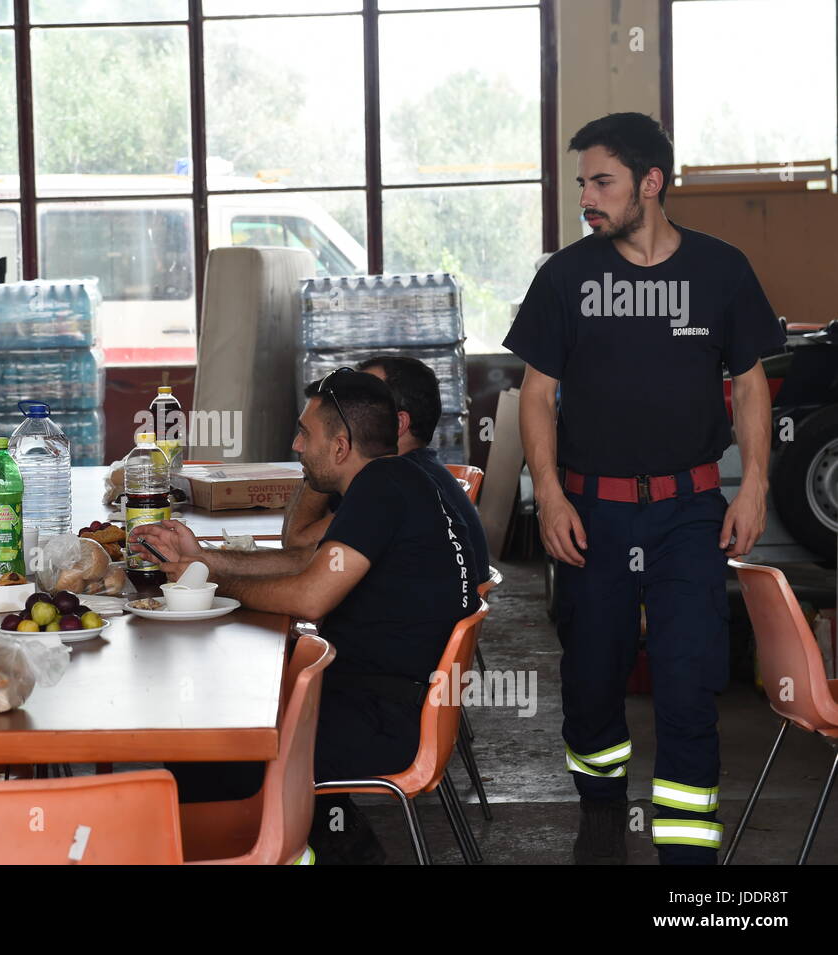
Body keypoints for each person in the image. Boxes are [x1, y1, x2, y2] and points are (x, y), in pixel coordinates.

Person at [504, 112, 783, 865]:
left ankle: (688, 867)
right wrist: (551, 496)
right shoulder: (566, 277)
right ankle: (601, 816)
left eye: (602, 181)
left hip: (691, 513)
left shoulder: (721, 272)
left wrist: (754, 484)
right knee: (592, 679)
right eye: (582, 183)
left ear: (650, 182)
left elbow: (751, 385)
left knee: (689, 685)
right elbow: (535, 394)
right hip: (592, 513)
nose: (587, 197)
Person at [133, 369, 478, 864]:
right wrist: (202, 557)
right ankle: (339, 844)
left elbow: (310, 598)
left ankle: (284, 848)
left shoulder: (383, 486)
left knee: (208, 745)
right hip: (387, 699)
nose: (295, 445)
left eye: (304, 433)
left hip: (386, 720)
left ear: (340, 447)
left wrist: (210, 583)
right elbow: (306, 562)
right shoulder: (398, 479)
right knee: (222, 717)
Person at [283, 355, 490, 586]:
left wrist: (324, 452)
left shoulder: (391, 486)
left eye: (368, 397)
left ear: (398, 423)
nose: (347, 405)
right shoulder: (403, 470)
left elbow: (298, 542)